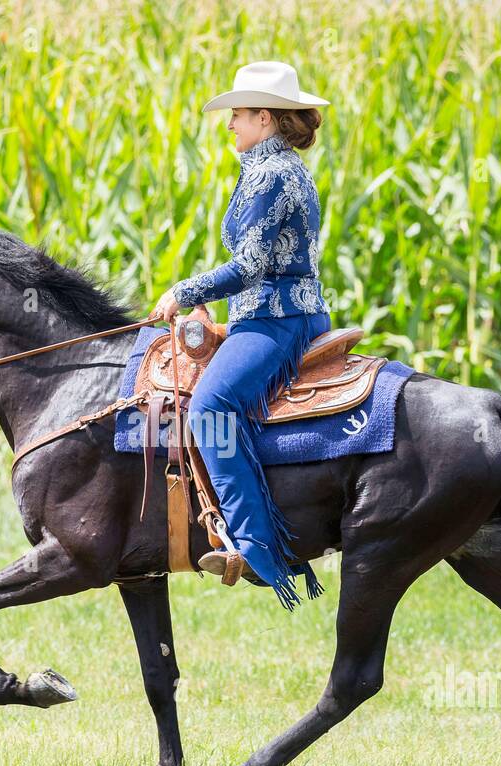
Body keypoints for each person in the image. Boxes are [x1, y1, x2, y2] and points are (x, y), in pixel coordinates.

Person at [148, 61, 331, 612]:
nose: (230, 124)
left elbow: (249, 265)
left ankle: (254, 546)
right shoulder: (281, 166)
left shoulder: (268, 173)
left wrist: (185, 289)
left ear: (265, 117)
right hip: (281, 312)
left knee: (209, 406)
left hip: (276, 321)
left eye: (238, 114)